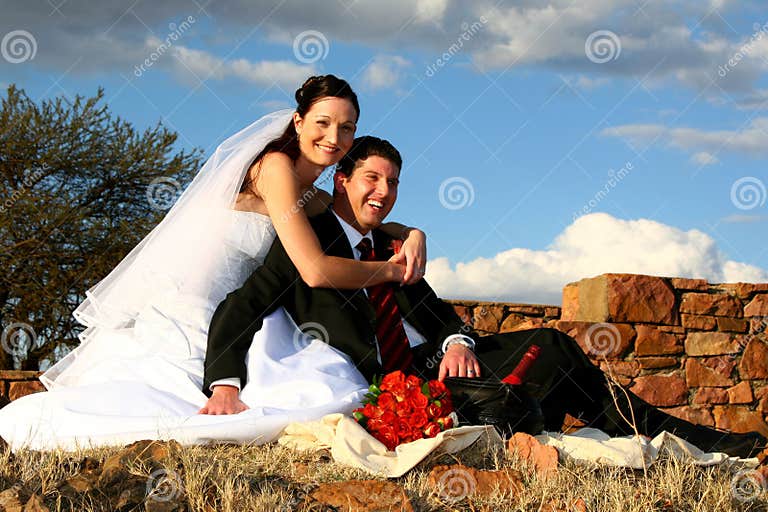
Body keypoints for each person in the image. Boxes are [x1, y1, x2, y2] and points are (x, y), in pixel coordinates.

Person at [203, 135, 767, 458]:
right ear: (341, 180)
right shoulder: (310, 245)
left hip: (436, 367)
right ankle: (664, 436)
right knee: (533, 388)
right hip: (389, 384)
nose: (385, 192)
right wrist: (225, 386)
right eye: (373, 178)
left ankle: (685, 438)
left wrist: (454, 339)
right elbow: (240, 307)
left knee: (554, 348)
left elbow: (438, 313)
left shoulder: (393, 250)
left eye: (394, 182)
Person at [0, 75, 424, 450]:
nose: (334, 137)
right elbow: (313, 269)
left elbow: (356, 215)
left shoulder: (311, 196)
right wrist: (389, 270)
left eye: (346, 128)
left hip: (242, 308)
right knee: (165, 403)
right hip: (198, 306)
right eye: (323, 123)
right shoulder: (275, 168)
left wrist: (411, 234)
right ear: (298, 122)